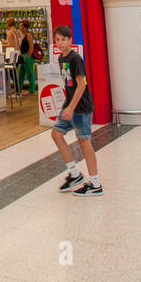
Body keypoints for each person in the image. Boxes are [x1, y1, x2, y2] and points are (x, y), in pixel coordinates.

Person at [52, 25, 101, 196]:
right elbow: (69, 85)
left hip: (80, 107)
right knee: (56, 134)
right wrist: (67, 106)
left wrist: (71, 108)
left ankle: (95, 183)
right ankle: (74, 174)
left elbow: (82, 84)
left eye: (63, 40)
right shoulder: (61, 59)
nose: (60, 43)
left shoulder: (75, 59)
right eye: (57, 40)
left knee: (84, 142)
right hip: (69, 105)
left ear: (70, 40)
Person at [17, 20, 36, 95]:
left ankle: (31, 91)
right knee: (21, 74)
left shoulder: (28, 35)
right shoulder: (23, 35)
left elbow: (31, 46)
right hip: (23, 56)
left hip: (28, 56)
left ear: (25, 27)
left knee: (30, 74)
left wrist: (27, 57)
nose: (19, 27)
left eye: (20, 25)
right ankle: (18, 89)